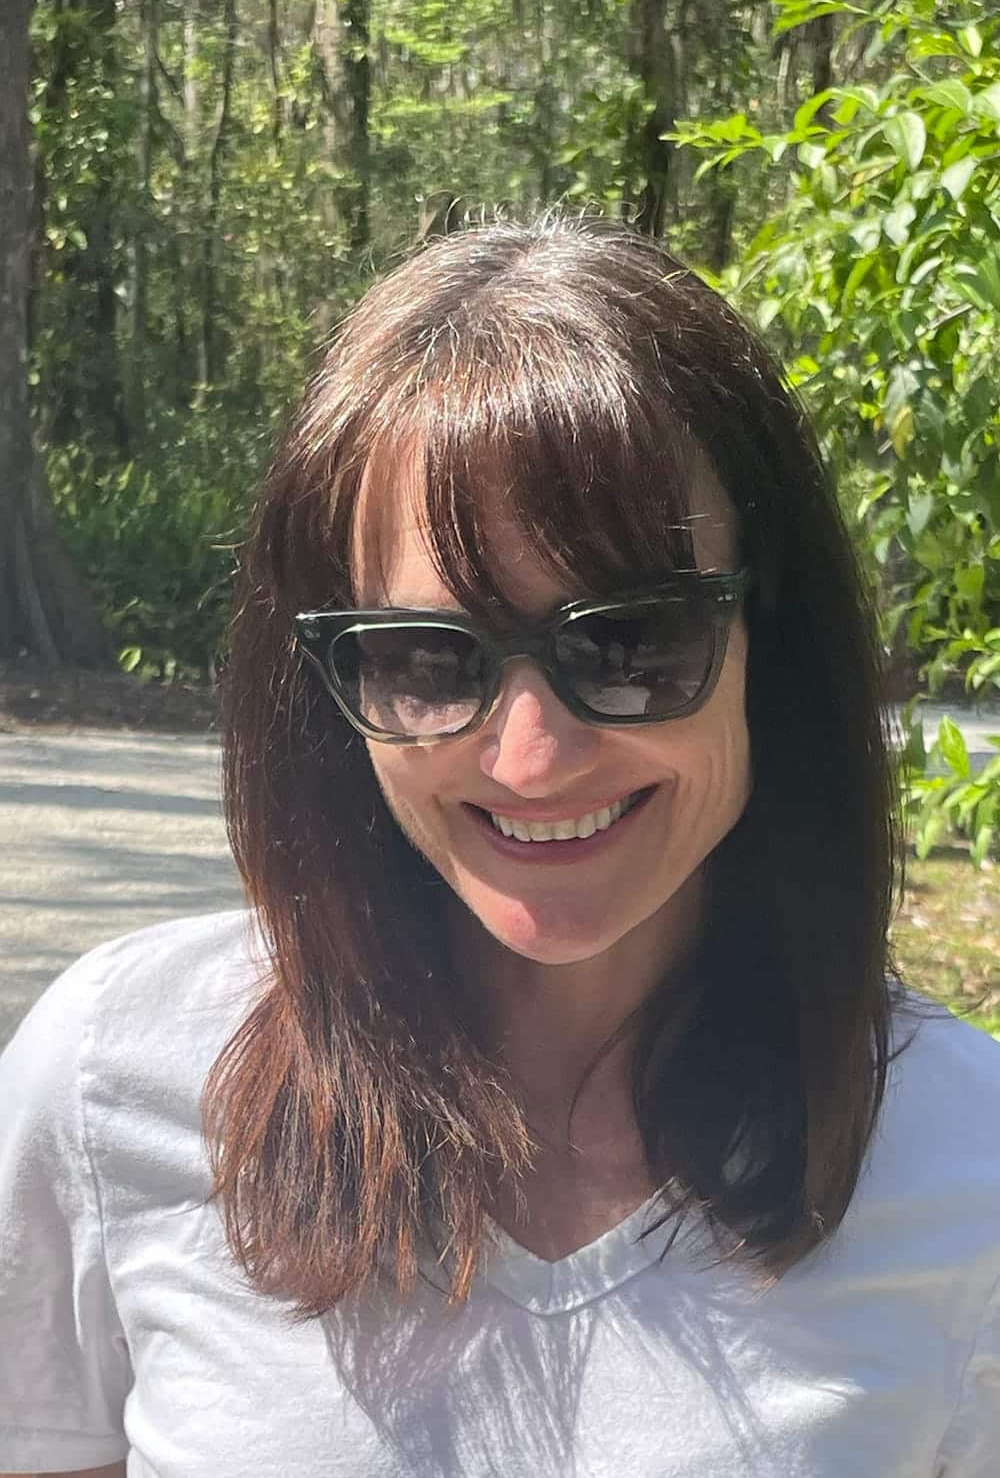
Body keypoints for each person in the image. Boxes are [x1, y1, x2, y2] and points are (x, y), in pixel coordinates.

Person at [1, 215, 998, 1478]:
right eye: (423, 661)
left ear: (774, 651)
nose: (530, 758)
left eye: (631, 646)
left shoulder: (968, 1163)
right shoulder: (108, 1084)